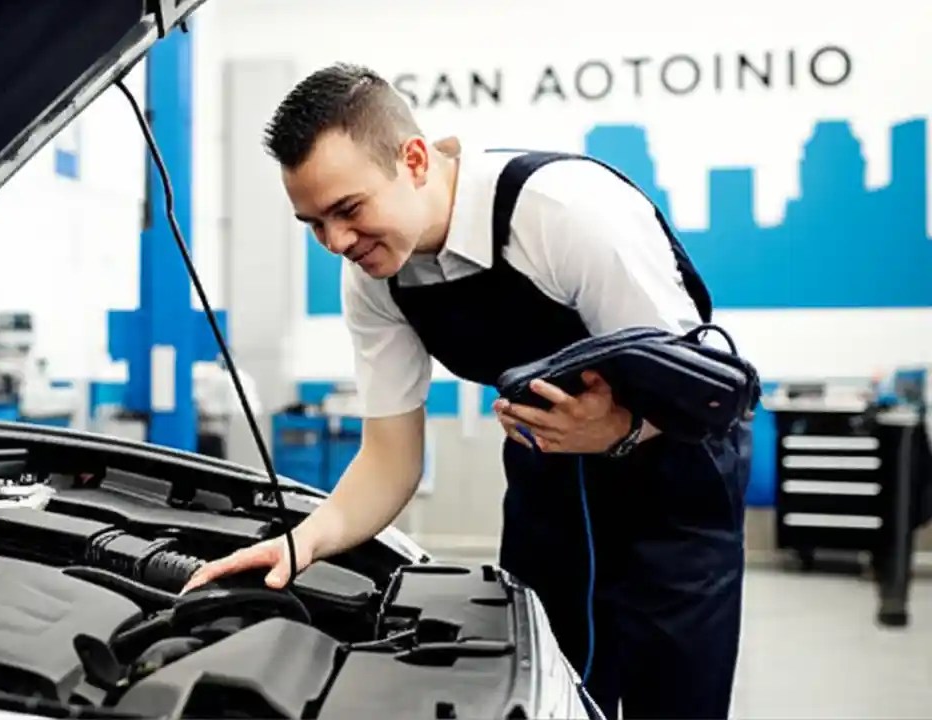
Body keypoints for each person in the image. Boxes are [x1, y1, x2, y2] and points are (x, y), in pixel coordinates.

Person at [182, 63, 751, 720]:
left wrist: (621, 432)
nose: (336, 242)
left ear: (415, 160)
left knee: (673, 699)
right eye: (313, 222)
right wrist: (300, 542)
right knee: (541, 692)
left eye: (347, 209)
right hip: (550, 488)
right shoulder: (376, 276)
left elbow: (708, 395)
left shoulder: (566, 215)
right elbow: (390, 458)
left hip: (676, 489)